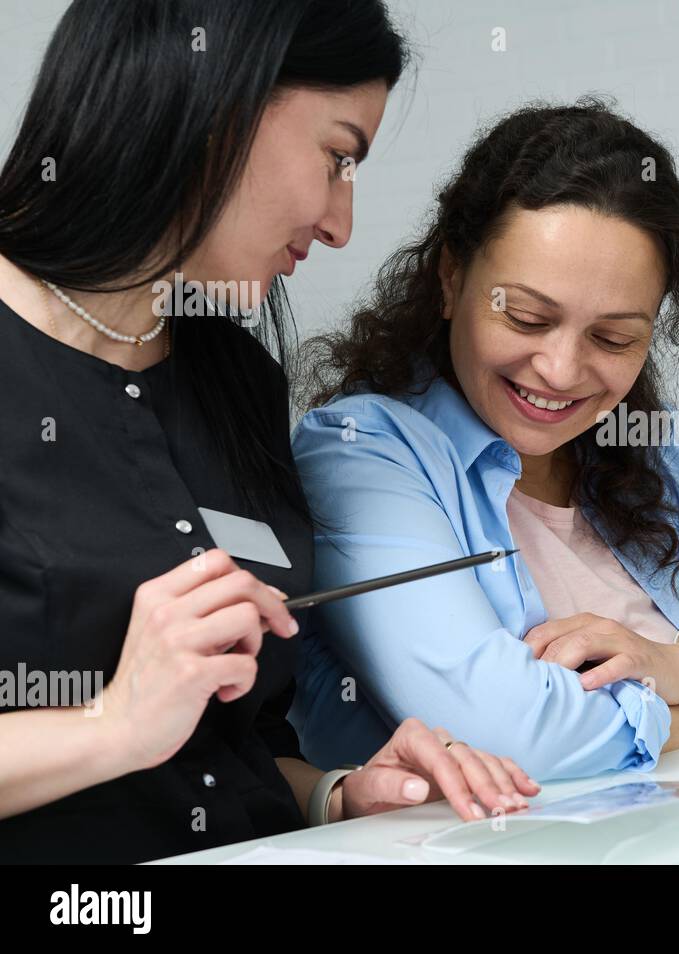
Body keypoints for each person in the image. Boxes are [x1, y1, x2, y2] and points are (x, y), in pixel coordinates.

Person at [0, 0, 536, 865]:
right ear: (217, 100)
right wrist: (111, 724)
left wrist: (338, 792)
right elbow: (141, 740)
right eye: (337, 157)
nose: (340, 223)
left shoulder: (236, 376)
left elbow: (228, 750)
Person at [290, 97, 679, 781]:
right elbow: (514, 737)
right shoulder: (362, 450)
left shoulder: (661, 455)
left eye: (613, 338)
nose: (560, 370)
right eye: (525, 317)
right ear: (452, 278)